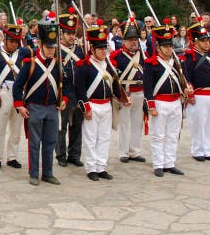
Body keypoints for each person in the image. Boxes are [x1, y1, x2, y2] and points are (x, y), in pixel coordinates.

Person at [12, 16, 67, 186]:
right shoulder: (31, 64)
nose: (51, 51)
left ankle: (48, 173)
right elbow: (17, 85)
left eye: (53, 48)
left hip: (51, 107)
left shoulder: (58, 64)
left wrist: (63, 99)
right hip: (35, 107)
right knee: (35, 143)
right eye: (48, 47)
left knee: (51, 141)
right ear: (41, 46)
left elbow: (62, 85)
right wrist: (19, 105)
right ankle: (34, 173)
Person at [74, 21, 130, 181]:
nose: (103, 51)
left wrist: (122, 97)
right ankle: (91, 168)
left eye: (104, 48)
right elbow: (80, 89)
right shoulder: (84, 66)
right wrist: (86, 107)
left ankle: (101, 166)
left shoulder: (109, 65)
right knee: (91, 138)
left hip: (106, 105)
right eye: (100, 48)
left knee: (104, 137)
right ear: (92, 49)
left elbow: (114, 85)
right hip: (92, 105)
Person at [142, 22, 187, 177]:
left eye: (170, 46)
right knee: (158, 135)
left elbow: (183, 80)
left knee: (173, 135)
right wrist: (151, 106)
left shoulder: (177, 63)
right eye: (166, 46)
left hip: (175, 102)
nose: (169, 49)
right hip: (160, 102)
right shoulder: (151, 63)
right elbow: (147, 87)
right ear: (159, 47)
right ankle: (158, 164)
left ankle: (169, 163)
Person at [0, 22, 27, 170]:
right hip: (2, 93)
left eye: (16, 41)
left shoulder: (23, 54)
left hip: (18, 94)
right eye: (11, 41)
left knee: (16, 129)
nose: (14, 44)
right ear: (5, 40)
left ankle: (12, 157)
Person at [183, 22, 210, 162]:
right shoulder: (190, 56)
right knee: (198, 124)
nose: (207, 43)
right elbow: (186, 76)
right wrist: (190, 93)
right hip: (200, 95)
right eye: (203, 41)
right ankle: (198, 150)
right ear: (195, 42)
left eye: (207, 40)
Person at [109, 17, 146, 164]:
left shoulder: (143, 56)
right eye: (131, 39)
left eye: (136, 39)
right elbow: (113, 76)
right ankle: (123, 152)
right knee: (124, 124)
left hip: (140, 92)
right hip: (126, 94)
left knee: (137, 123)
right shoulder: (116, 56)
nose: (134, 42)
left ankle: (135, 151)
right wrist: (120, 95)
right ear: (124, 41)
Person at [55, 8, 85, 168]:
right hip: (64, 90)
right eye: (68, 33)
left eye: (73, 33)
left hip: (78, 91)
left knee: (77, 124)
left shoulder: (80, 50)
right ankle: (61, 155)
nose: (71, 36)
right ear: (61, 33)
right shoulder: (56, 50)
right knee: (62, 124)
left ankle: (74, 154)